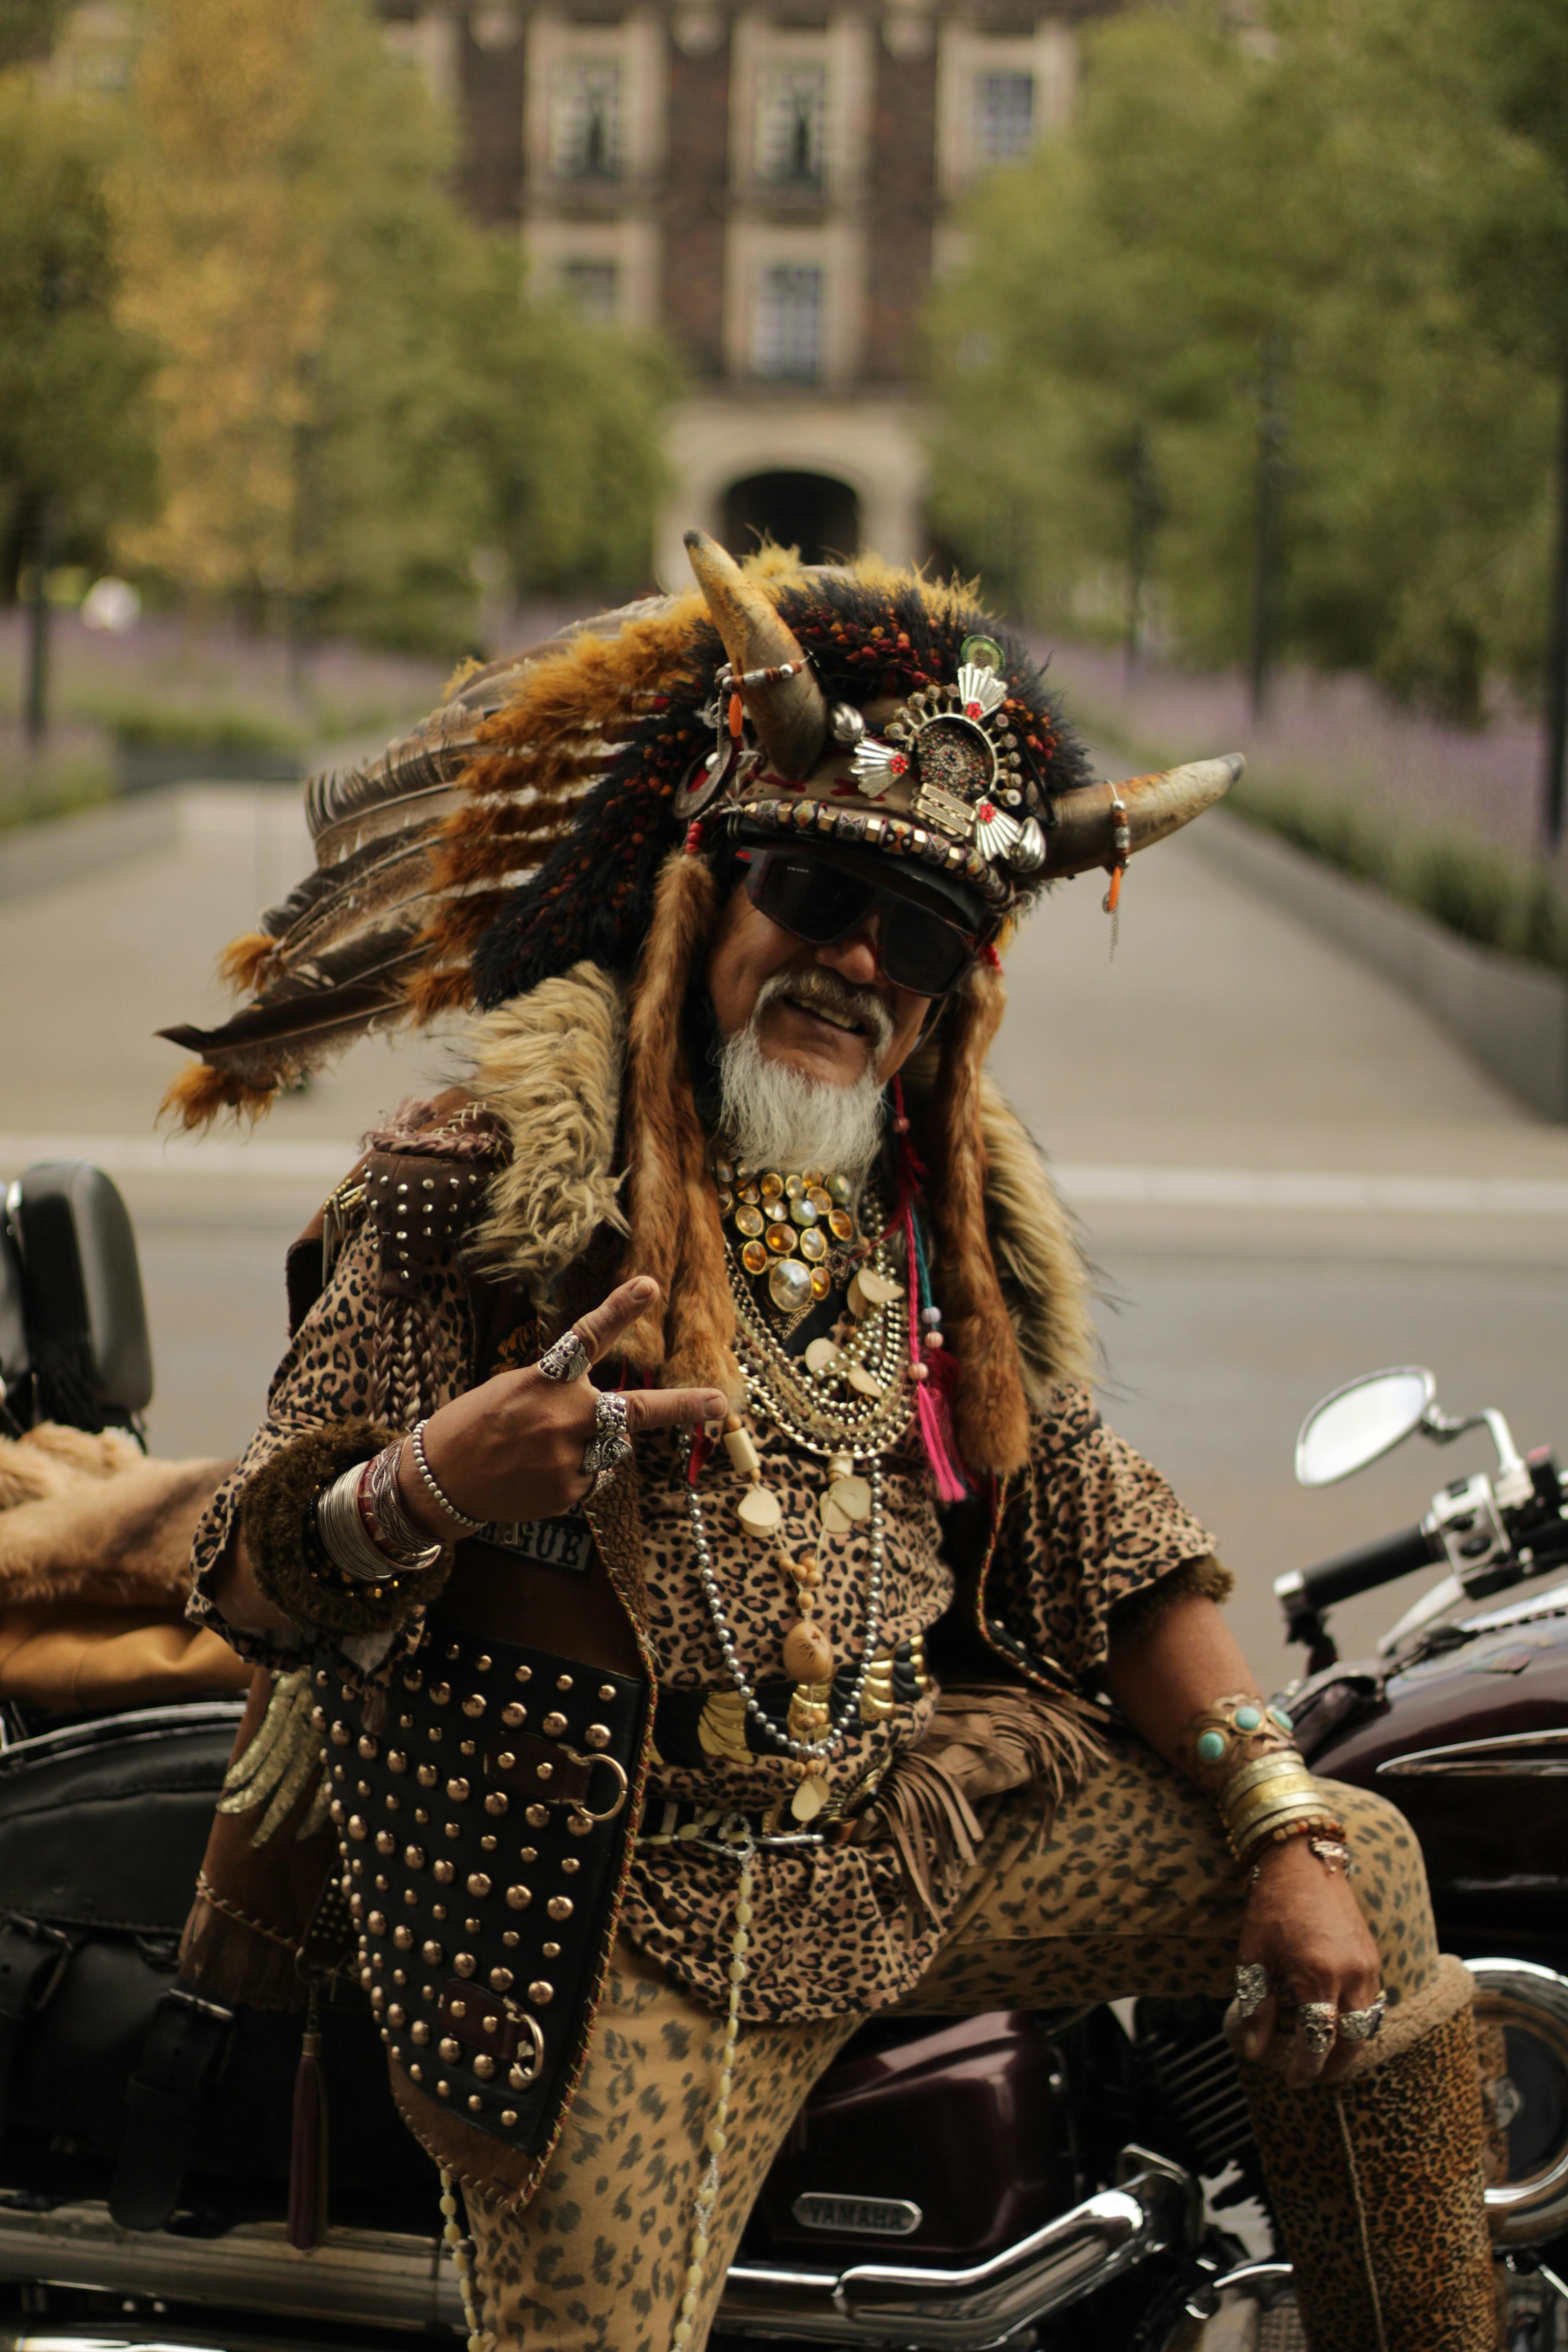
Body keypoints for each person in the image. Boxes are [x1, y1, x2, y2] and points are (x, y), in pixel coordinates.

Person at [165, 537, 1499, 2352]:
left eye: (927, 934)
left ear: (954, 991)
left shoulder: (928, 1205)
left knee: (1370, 1860)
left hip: (890, 1841)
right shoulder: (480, 1185)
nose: (859, 959)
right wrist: (437, 1484)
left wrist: (1273, 1822)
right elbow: (245, 1574)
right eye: (815, 887)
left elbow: (1097, 1538)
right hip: (604, 1912)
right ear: (705, 895)